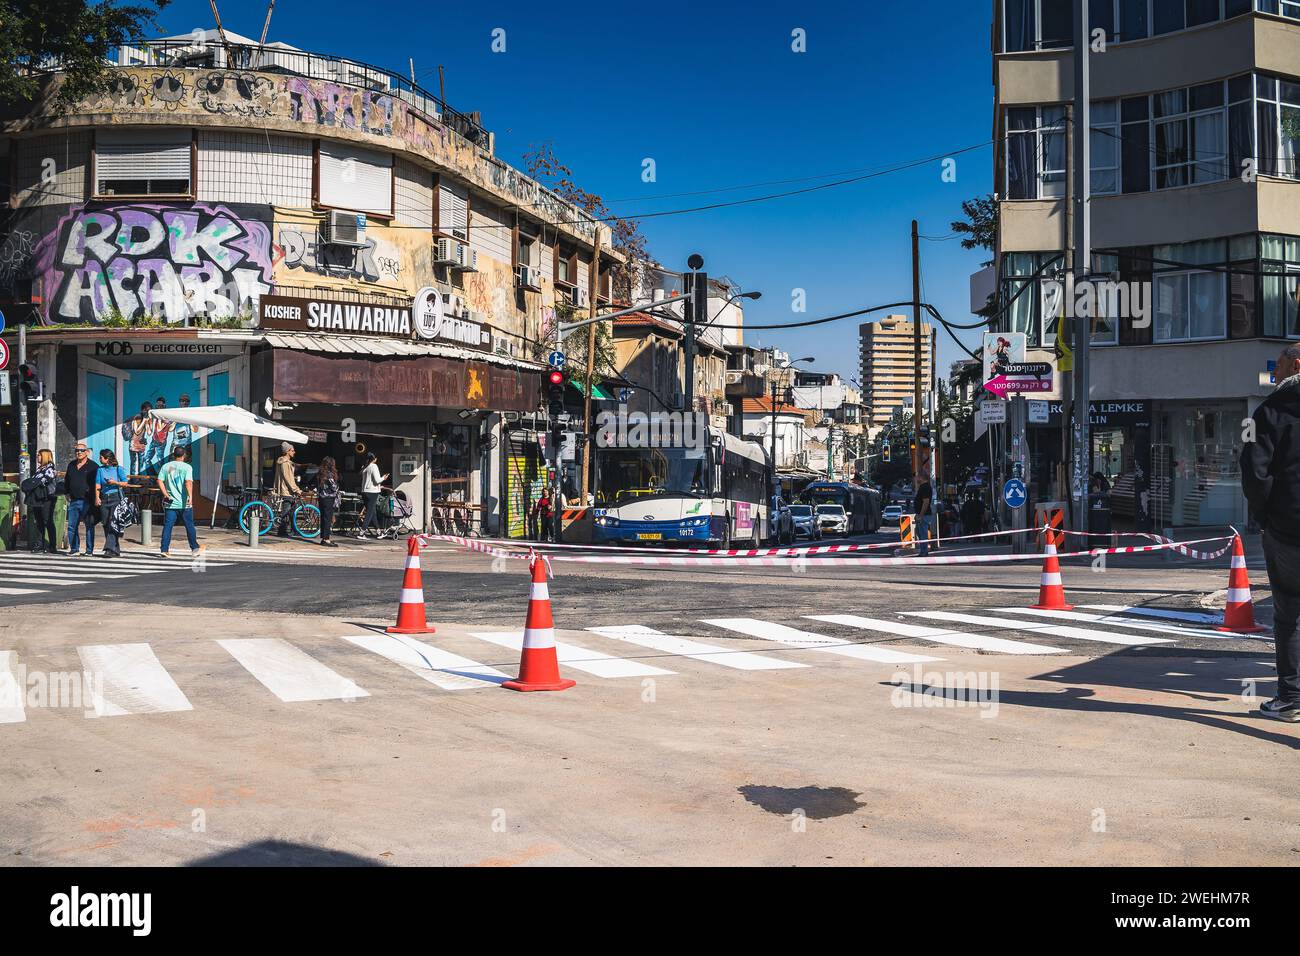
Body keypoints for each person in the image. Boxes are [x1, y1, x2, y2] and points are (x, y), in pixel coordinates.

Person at [1241, 342, 1300, 723]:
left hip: (1288, 529)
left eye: (1277, 366)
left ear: (1296, 363)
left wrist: (1264, 517)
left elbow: (1253, 472)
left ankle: (1292, 697)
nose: (1273, 374)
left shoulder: (1268, 413)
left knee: (1289, 613)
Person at [156, 446, 199, 556]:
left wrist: (165, 494)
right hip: (184, 503)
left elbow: (159, 480)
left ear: (173, 455)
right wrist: (190, 497)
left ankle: (164, 550)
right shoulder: (187, 467)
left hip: (170, 503)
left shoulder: (166, 466)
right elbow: (188, 482)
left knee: (168, 526)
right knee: (189, 525)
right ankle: (194, 549)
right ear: (184, 455)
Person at [63, 442, 99, 556]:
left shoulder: (93, 466)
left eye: (81, 450)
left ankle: (89, 550)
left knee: (89, 525)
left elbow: (97, 483)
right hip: (73, 500)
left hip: (87, 501)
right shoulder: (71, 465)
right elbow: (67, 481)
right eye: (77, 451)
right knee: (72, 526)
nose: (79, 452)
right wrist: (67, 493)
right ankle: (74, 549)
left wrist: (96, 498)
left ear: (87, 452)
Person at [95, 449, 131, 558]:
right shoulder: (100, 470)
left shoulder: (118, 469)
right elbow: (97, 485)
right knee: (106, 523)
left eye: (101, 457)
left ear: (107, 458)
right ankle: (116, 549)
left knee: (113, 522)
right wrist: (97, 497)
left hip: (115, 497)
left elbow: (125, 483)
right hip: (104, 498)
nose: (99, 459)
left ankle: (109, 549)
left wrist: (114, 482)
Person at [29, 449, 59, 554]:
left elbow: (44, 480)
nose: (37, 457)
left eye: (39, 455)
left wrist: (33, 482)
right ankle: (40, 544)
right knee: (39, 522)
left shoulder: (50, 468)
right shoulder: (39, 469)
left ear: (45, 456)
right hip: (37, 497)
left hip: (47, 498)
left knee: (48, 521)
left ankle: (52, 545)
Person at [273, 441, 303, 537]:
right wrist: (296, 489)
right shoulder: (285, 463)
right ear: (287, 451)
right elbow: (288, 478)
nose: (294, 452)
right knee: (286, 512)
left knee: (291, 511)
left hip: (287, 489)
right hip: (286, 490)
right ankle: (282, 531)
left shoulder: (286, 462)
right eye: (292, 450)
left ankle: (294, 530)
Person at [357, 453, 388, 539]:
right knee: (370, 512)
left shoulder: (365, 467)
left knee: (372, 512)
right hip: (372, 492)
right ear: (374, 459)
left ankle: (379, 532)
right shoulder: (374, 466)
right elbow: (377, 480)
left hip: (364, 492)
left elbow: (369, 480)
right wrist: (383, 478)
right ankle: (362, 532)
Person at [317, 456, 341, 547]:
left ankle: (323, 538)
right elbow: (334, 487)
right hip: (329, 498)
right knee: (328, 519)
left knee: (324, 518)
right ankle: (326, 539)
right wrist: (338, 489)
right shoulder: (329, 474)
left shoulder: (320, 473)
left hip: (321, 498)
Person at [914, 468, 935, 557]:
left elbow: (926, 502)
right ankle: (923, 551)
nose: (916, 478)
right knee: (920, 532)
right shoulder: (923, 487)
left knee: (923, 533)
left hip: (924, 515)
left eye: (917, 476)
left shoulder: (925, 487)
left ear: (921, 477)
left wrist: (921, 515)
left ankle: (924, 551)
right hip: (922, 514)